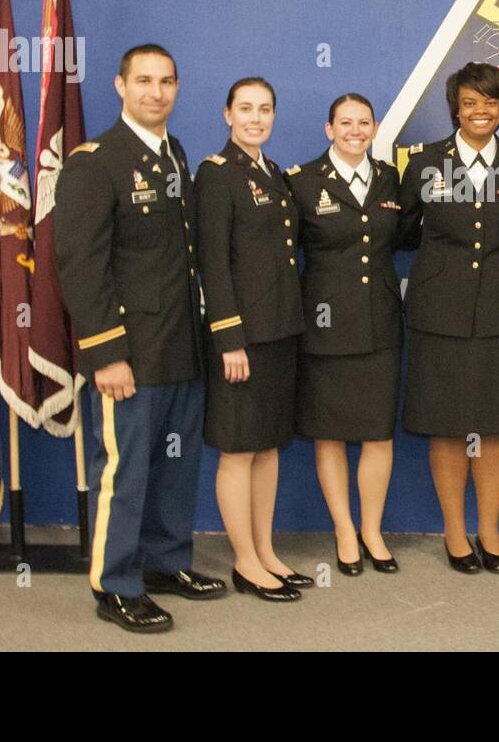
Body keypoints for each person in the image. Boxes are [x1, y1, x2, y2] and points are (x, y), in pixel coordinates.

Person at [56, 44, 225, 633]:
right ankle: (116, 584)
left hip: (179, 344)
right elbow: (80, 265)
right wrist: (106, 353)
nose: (157, 92)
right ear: (120, 85)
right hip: (127, 349)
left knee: (173, 468)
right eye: (145, 81)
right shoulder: (94, 162)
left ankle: (165, 561)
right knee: (123, 471)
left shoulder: (173, 153)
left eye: (167, 81)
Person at [397, 62, 499, 574]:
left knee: (495, 426)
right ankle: (455, 534)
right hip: (440, 312)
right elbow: (404, 232)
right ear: (456, 107)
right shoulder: (424, 164)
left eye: (491, 102)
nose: (481, 111)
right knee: (447, 426)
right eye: (471, 102)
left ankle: (490, 531)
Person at [194, 77, 308, 602]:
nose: (256, 118)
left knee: (268, 448)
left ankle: (266, 552)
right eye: (246, 109)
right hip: (242, 339)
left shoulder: (274, 175)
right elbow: (212, 264)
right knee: (239, 450)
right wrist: (229, 338)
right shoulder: (217, 176)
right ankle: (243, 561)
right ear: (227, 115)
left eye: (265, 109)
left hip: (280, 332)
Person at [286, 93, 403, 575]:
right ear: (328, 129)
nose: (355, 130)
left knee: (377, 433)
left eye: (364, 122)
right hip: (326, 325)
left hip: (380, 323)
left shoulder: (390, 178)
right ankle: (342, 530)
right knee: (329, 433)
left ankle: (372, 530)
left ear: (374, 129)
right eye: (345, 122)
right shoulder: (301, 182)